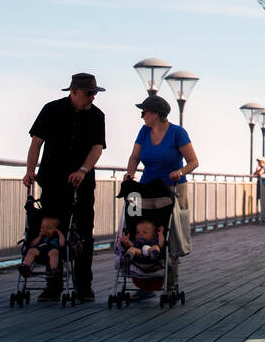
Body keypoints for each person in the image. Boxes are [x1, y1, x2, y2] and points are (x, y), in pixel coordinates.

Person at [25, 72, 106, 302]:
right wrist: (30, 170)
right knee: (51, 231)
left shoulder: (97, 116)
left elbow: (97, 148)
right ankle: (53, 285)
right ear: (74, 92)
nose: (93, 98)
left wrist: (83, 170)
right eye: (90, 93)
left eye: (95, 93)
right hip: (52, 181)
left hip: (82, 184)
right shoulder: (51, 109)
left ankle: (83, 286)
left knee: (83, 234)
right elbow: (36, 143)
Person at [124, 93, 198, 259]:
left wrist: (180, 172)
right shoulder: (144, 131)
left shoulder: (177, 133)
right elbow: (134, 157)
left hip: (173, 187)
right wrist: (130, 173)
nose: (142, 116)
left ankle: (170, 277)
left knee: (171, 231)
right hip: (147, 187)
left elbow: (193, 162)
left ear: (155, 114)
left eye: (144, 112)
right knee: (135, 215)